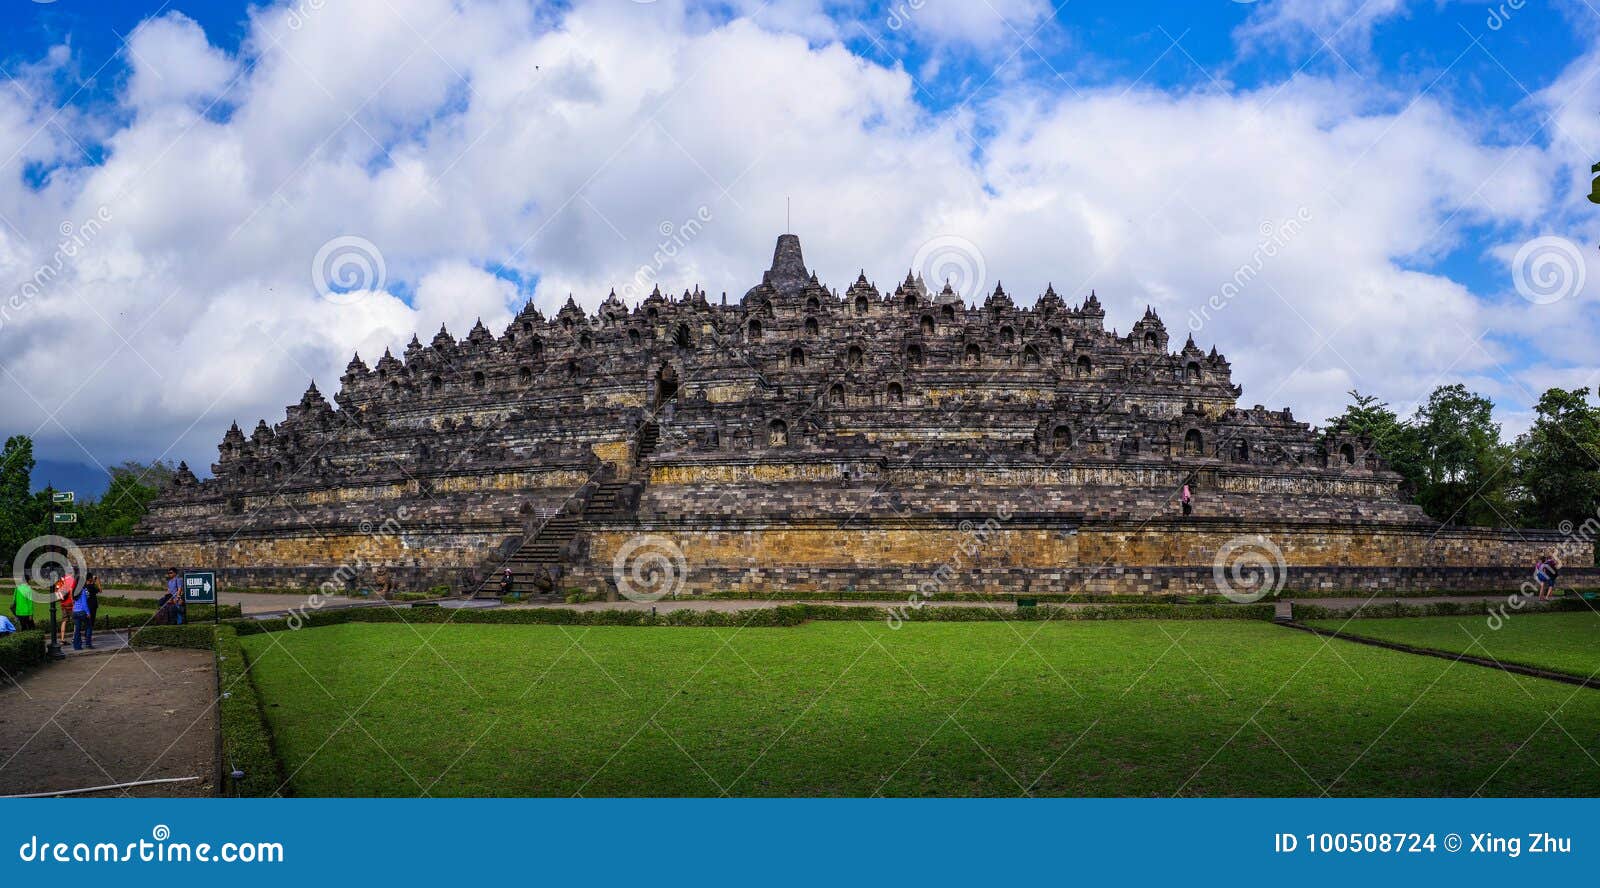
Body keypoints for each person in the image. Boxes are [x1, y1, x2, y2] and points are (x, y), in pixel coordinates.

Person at [70, 579, 93, 650]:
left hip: (75, 611)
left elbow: (73, 601)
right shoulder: (82, 591)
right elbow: (84, 603)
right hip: (82, 611)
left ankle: (77, 646)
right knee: (89, 627)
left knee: (77, 629)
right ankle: (88, 643)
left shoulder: (74, 591)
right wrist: (88, 613)